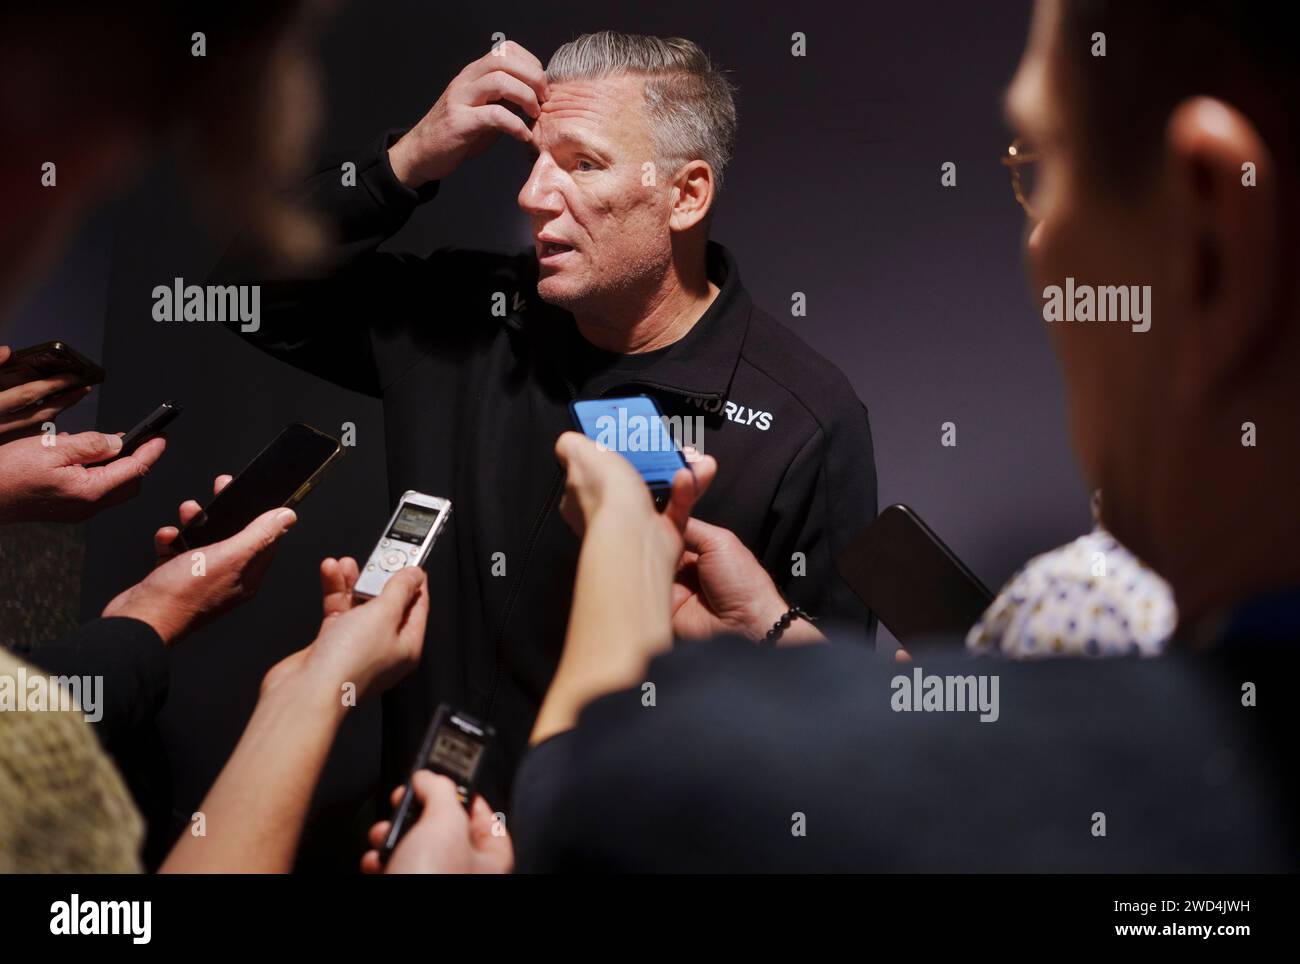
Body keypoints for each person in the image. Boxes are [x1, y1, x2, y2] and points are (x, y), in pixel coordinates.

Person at [489, 0, 1300, 871]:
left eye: (1040, 166)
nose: (1035, 235)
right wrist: (771, 624)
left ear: (1208, 236)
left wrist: (623, 542)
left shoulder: (1084, 679)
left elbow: (589, 807)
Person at [215, 31, 878, 812]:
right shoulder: (465, 316)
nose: (533, 194)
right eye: (535, 158)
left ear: (686, 194)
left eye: (582, 163)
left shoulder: (805, 421)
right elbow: (248, 292)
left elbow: (831, 745)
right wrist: (408, 160)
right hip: (419, 846)